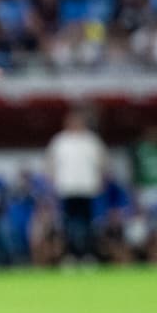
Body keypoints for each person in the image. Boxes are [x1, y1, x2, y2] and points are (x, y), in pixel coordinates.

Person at [47, 109, 106, 262]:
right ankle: (70, 255)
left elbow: (102, 162)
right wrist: (52, 181)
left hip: (87, 189)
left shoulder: (91, 140)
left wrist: (100, 180)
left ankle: (88, 254)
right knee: (67, 226)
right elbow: (51, 163)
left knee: (88, 225)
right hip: (67, 188)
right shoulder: (60, 140)